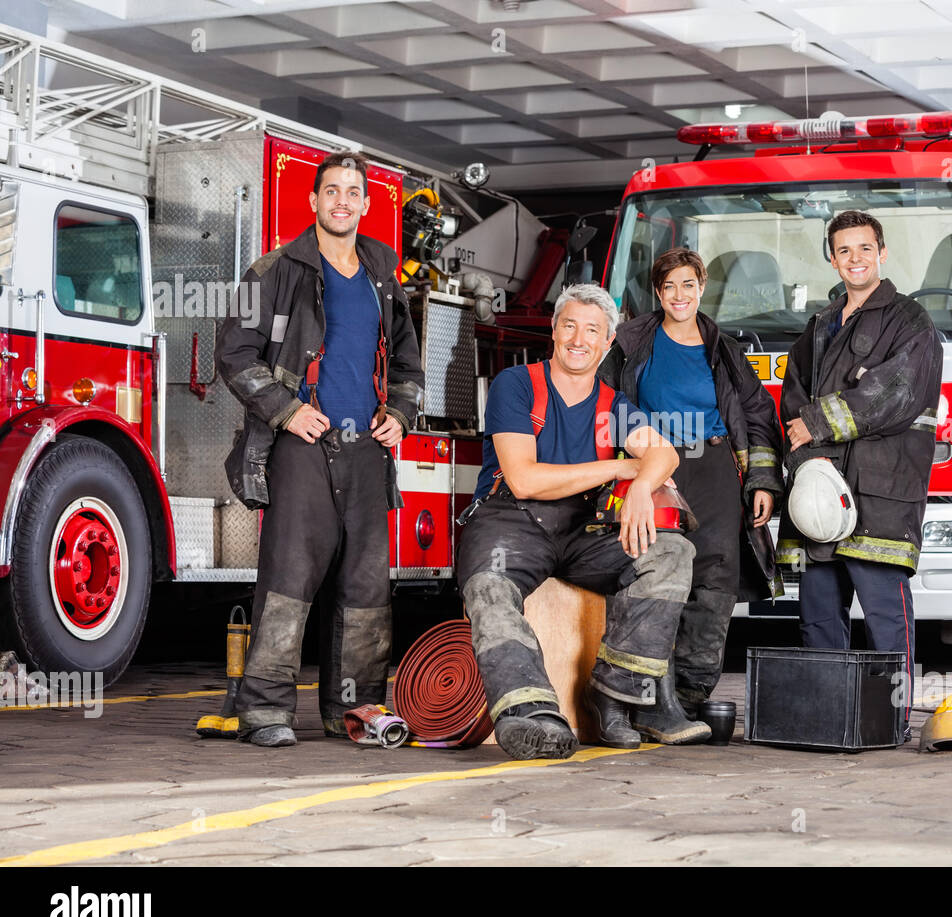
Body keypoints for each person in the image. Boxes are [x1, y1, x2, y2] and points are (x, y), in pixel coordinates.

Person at [217, 151, 423, 747]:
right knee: (288, 579)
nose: (341, 201)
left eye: (352, 192)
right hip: (302, 445)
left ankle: (352, 712)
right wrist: (287, 409)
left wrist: (401, 415)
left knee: (365, 590)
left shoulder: (385, 272)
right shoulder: (275, 270)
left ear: (365, 204)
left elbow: (407, 362)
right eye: (330, 190)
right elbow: (233, 355)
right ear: (312, 202)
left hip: (368, 452)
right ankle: (265, 713)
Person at [457, 283, 710, 759]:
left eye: (592, 330)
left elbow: (664, 453)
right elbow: (525, 478)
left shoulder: (613, 405)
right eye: (569, 325)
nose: (579, 339)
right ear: (553, 332)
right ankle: (530, 714)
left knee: (671, 552)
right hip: (510, 520)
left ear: (608, 342)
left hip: (581, 529)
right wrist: (618, 468)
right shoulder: (517, 385)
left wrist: (639, 487)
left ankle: (616, 693)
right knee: (489, 587)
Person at [776, 210, 943, 740]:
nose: (855, 259)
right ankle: (831, 718)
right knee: (818, 616)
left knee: (884, 617)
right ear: (832, 258)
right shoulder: (818, 327)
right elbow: (792, 401)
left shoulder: (911, 323)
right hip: (821, 493)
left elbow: (893, 394)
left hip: (881, 493)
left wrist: (817, 427)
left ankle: (889, 721)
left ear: (882, 253)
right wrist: (808, 462)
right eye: (844, 250)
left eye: (864, 249)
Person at [599, 247, 783, 720]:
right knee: (657, 570)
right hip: (656, 470)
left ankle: (692, 692)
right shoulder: (632, 343)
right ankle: (644, 690)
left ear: (702, 287)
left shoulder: (723, 350)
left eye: (688, 284)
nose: (679, 295)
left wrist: (762, 479)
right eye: (668, 287)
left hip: (715, 467)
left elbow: (760, 415)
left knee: (715, 578)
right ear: (657, 293)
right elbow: (603, 404)